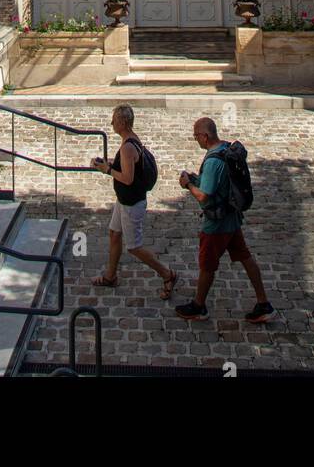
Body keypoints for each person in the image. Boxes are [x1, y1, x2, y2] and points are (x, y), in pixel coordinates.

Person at [175, 115, 274, 323]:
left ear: (205, 136)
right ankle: (263, 303)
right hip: (232, 218)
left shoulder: (212, 161)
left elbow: (203, 196)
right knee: (246, 257)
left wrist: (187, 184)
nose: (196, 140)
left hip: (217, 224)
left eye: (196, 136)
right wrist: (197, 178)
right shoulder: (226, 149)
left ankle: (198, 306)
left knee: (207, 265)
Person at [90, 103, 177, 299]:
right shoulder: (130, 140)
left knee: (134, 247)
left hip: (131, 204)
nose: (111, 122)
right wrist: (108, 164)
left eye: (114, 119)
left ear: (121, 122)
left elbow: (128, 178)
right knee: (114, 234)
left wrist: (108, 170)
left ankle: (167, 274)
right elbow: (129, 168)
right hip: (124, 201)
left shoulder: (128, 147)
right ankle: (110, 276)